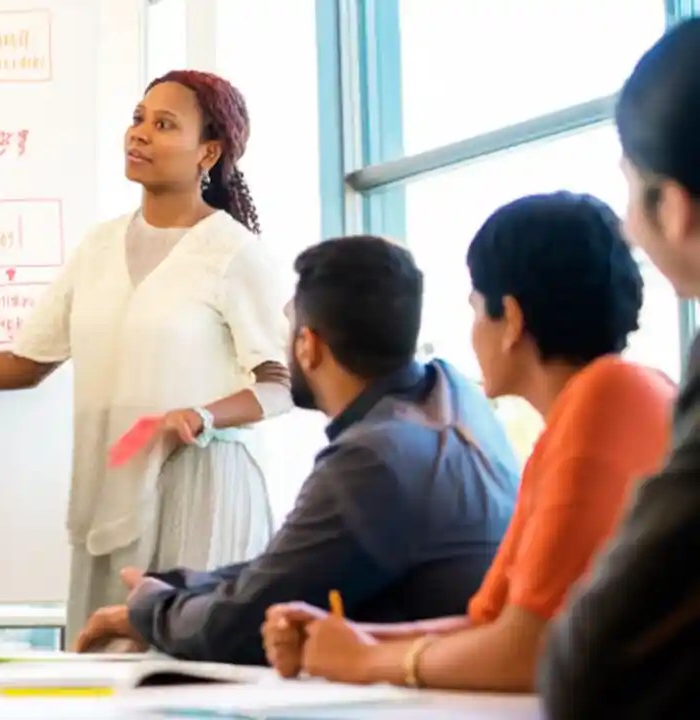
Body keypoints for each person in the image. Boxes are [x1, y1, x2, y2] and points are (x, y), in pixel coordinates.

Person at [0, 70, 294, 641]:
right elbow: (27, 363)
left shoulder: (233, 251)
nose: (140, 134)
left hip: (199, 488)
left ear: (209, 152)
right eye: (138, 119)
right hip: (111, 485)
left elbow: (280, 384)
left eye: (164, 124)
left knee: (183, 664)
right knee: (103, 656)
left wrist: (203, 416)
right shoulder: (99, 246)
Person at [265, 192, 675, 693]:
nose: (474, 332)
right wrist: (350, 640)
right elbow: (492, 623)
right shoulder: (602, 404)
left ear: (512, 321)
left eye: (477, 309)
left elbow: (528, 650)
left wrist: (368, 661)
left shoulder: (604, 398)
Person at [73, 236, 520, 665]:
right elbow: (291, 568)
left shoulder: (373, 458)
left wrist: (149, 610)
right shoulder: (455, 399)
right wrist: (177, 588)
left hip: (428, 694)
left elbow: (238, 628)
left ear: (309, 346)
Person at [540, 18, 700, 718]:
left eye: (632, 191)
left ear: (676, 207)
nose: (630, 227)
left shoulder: (604, 388)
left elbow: (593, 661)